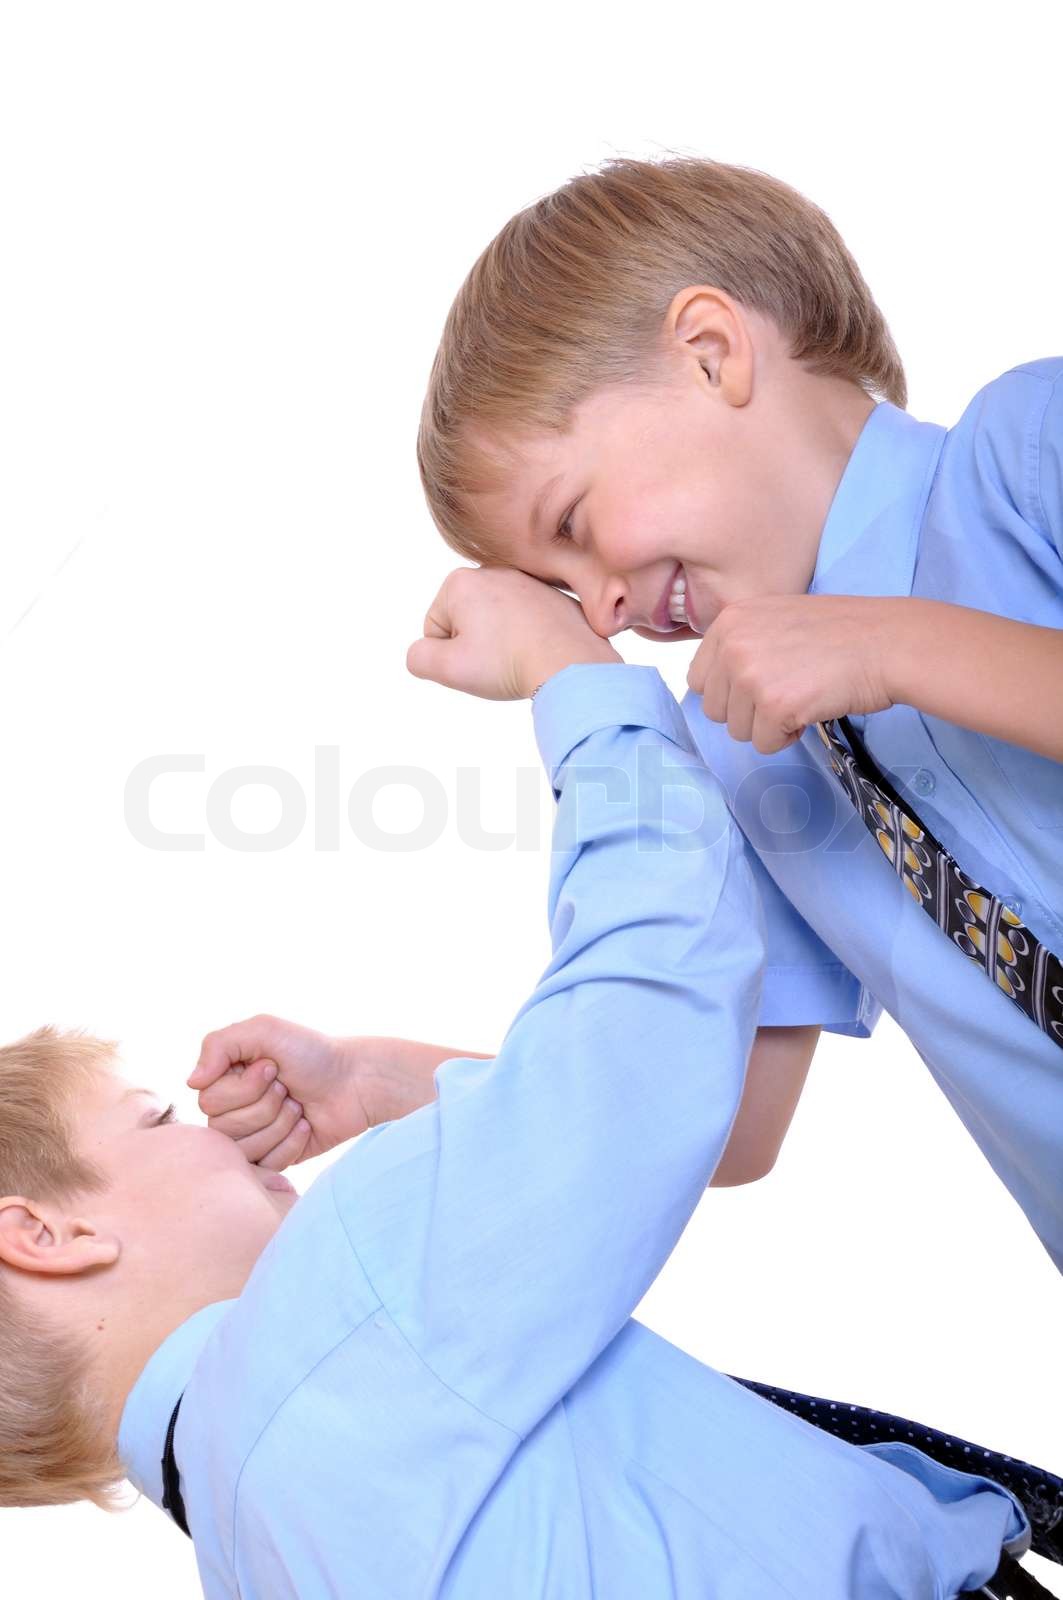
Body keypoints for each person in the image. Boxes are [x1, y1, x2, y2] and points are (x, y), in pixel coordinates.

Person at [0, 574, 1030, 1597]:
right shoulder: (333, 1313)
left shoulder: (253, 1551)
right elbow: (644, 1005)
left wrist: (376, 1079)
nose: (212, 1132)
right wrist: (568, 670)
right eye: (155, 1117)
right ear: (46, 1234)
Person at [414, 153, 1063, 1275]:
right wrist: (384, 1080)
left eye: (573, 525)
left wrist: (895, 644)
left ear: (710, 353)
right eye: (561, 593)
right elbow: (723, 1118)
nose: (603, 610)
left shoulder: (1028, 450)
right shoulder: (750, 750)